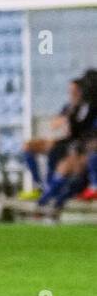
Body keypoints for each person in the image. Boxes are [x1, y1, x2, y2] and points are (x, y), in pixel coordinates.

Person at [29, 73, 97, 213]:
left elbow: (84, 131)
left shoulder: (90, 108)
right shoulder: (74, 107)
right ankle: (45, 196)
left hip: (81, 147)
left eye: (76, 90)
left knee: (71, 165)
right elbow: (59, 124)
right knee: (61, 162)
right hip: (74, 145)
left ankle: (52, 202)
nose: (73, 93)